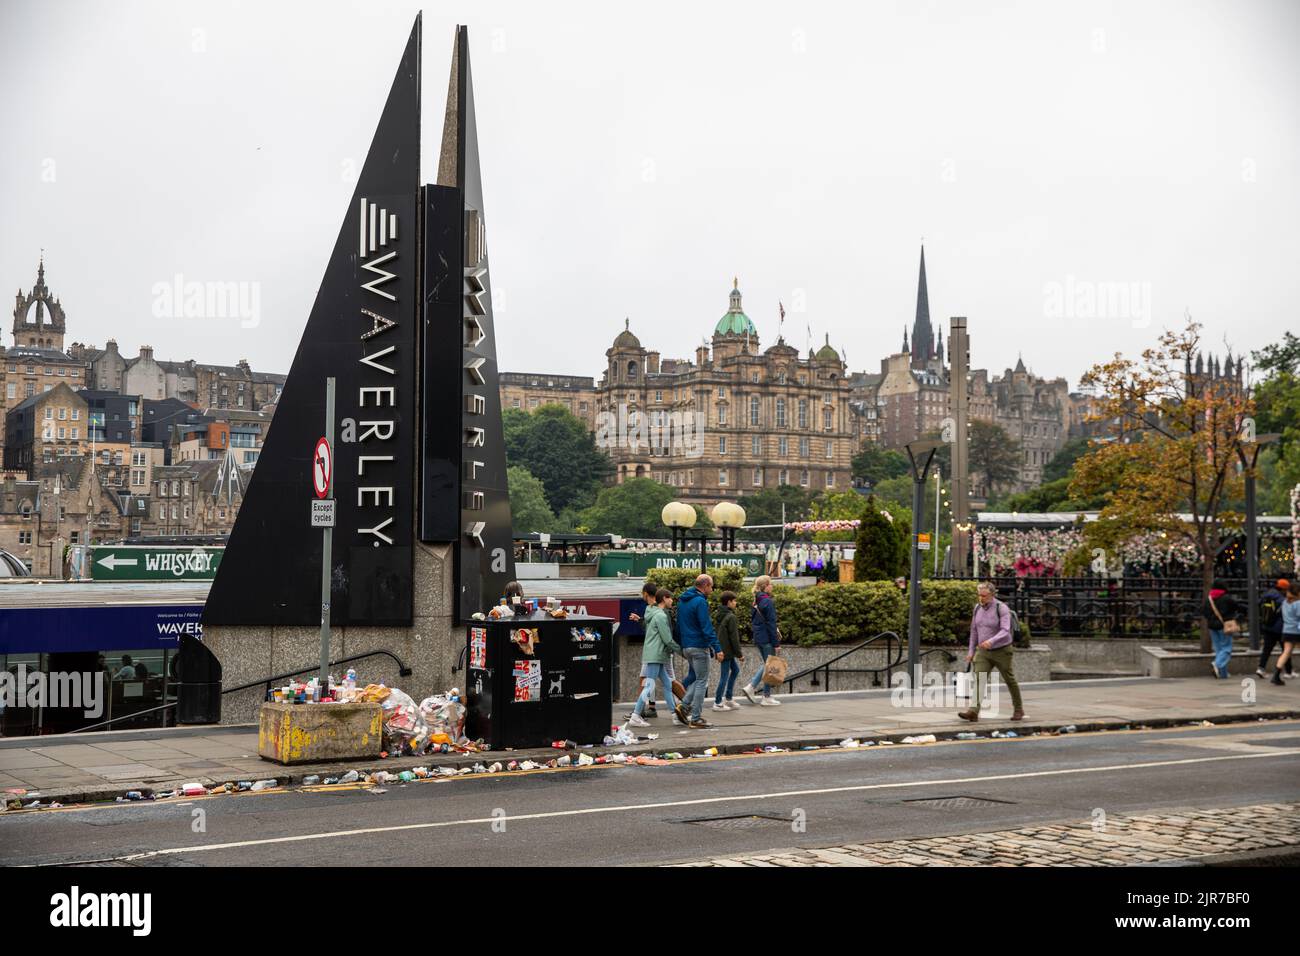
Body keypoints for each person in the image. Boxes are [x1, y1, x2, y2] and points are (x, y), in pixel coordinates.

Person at [958, 582, 1025, 721]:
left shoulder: (1002, 608)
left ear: (992, 595)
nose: (981, 598)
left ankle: (1018, 709)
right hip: (983, 651)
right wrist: (971, 651)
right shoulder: (977, 608)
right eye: (979, 595)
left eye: (984, 595)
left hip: (1002, 650)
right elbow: (974, 631)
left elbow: (1005, 630)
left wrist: (992, 641)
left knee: (1009, 679)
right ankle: (973, 711)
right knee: (979, 680)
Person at [624, 588, 683, 728]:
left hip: (656, 654)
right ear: (664, 599)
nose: (672, 601)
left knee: (667, 684)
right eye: (670, 598)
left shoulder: (651, 612)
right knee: (649, 686)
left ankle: (675, 716)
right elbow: (667, 639)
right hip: (656, 654)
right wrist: (682, 652)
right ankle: (636, 715)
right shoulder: (661, 616)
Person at [676, 573, 723, 728]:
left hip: (687, 646)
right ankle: (695, 718)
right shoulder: (700, 602)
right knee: (702, 681)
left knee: (698, 679)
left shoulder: (682, 601)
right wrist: (717, 648)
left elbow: (678, 625)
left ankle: (684, 707)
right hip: (698, 646)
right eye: (711, 586)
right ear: (705, 586)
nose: (712, 589)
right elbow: (706, 626)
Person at [742, 574, 782, 705]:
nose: (772, 586)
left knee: (768, 665)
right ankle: (755, 689)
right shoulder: (767, 602)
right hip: (767, 639)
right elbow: (771, 624)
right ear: (765, 586)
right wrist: (776, 643)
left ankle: (766, 695)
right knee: (769, 665)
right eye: (770, 584)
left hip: (759, 638)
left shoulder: (757, 600)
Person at [1256, 578, 1294, 679]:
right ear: (1284, 589)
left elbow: (1259, 604)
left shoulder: (1266, 595)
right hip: (1280, 628)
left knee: (1266, 649)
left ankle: (1261, 668)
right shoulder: (1282, 599)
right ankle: (1288, 671)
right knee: (1286, 650)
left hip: (1267, 626)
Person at [1203, 579, 1241, 679]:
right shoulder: (1226, 598)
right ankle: (1217, 664)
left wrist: (1211, 618)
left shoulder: (1209, 599)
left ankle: (1223, 674)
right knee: (1227, 649)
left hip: (1212, 626)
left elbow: (1203, 611)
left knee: (1219, 650)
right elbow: (1237, 607)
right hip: (1224, 626)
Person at [712, 591, 743, 712]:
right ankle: (718, 702)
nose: (735, 603)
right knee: (724, 676)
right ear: (729, 602)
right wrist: (739, 654)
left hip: (721, 649)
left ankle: (728, 698)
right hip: (727, 651)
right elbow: (734, 638)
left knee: (735, 670)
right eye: (734, 601)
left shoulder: (719, 614)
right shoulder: (731, 617)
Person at [1269, 581, 1300, 686]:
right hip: (1297, 630)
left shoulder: (1285, 602)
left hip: (1286, 629)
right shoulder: (1298, 603)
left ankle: (1276, 675)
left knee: (1286, 652)